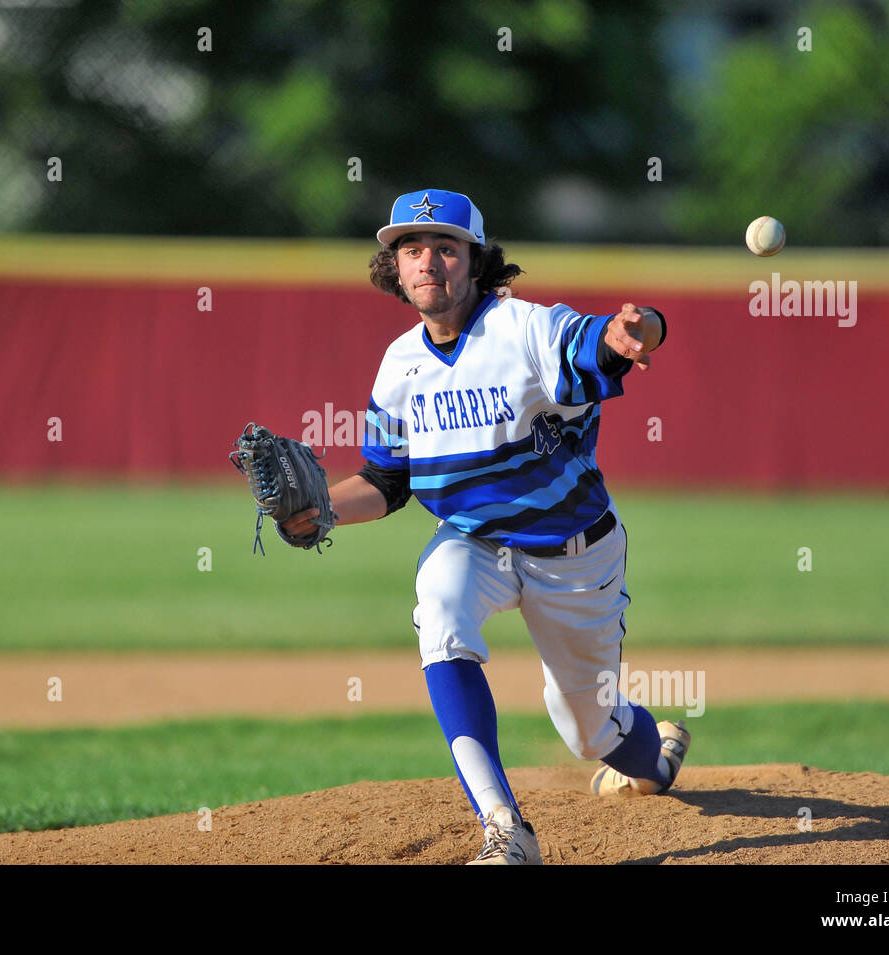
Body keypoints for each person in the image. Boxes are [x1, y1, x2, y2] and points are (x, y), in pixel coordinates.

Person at [281, 189, 690, 865]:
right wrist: (318, 509)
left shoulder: (522, 328)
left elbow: (603, 344)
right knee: (439, 599)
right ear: (395, 266)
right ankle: (505, 828)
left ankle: (655, 754)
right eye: (411, 249)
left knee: (592, 732)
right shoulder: (398, 367)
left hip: (573, 556)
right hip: (475, 541)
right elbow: (388, 482)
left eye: (446, 248)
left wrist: (636, 329)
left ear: (476, 261)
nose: (428, 262)